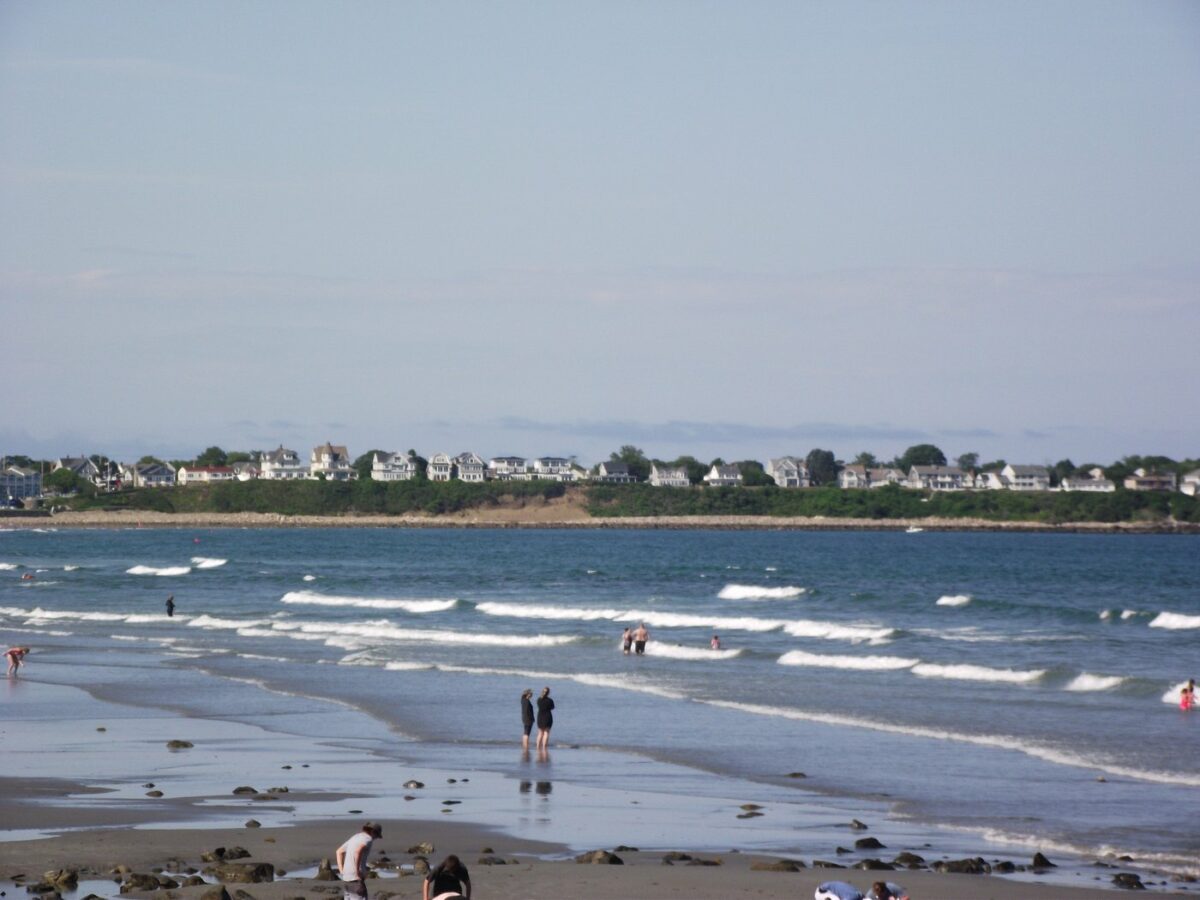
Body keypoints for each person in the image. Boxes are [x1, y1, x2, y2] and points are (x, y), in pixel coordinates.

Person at [336, 822, 382, 900]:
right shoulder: (368, 839)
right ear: (373, 832)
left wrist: (341, 870)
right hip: (356, 880)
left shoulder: (355, 837)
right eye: (377, 836)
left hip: (346, 878)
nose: (375, 838)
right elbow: (358, 851)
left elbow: (339, 851)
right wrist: (357, 871)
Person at [536, 686, 554, 751]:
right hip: (548, 716)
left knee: (540, 733)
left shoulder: (539, 699)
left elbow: (538, 706)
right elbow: (552, 707)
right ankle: (544, 746)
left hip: (540, 716)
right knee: (546, 732)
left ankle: (538, 746)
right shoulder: (550, 700)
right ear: (548, 693)